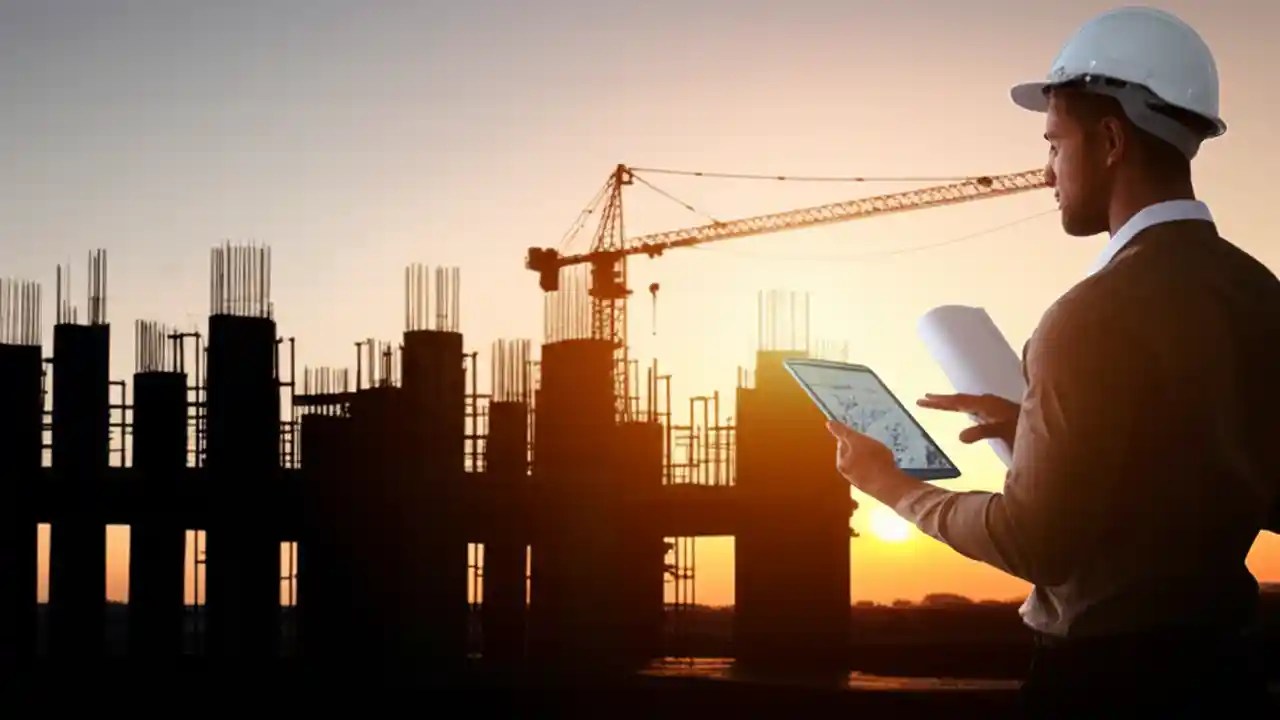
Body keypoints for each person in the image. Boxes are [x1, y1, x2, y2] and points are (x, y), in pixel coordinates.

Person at [825, 6, 1278, 716]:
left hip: (1106, 686)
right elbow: (1232, 474)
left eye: (1053, 143)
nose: (1046, 173)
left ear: (1108, 140)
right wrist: (1046, 427)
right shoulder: (1259, 293)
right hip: (1231, 673)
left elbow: (1033, 541)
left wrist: (893, 488)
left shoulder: (1087, 316)